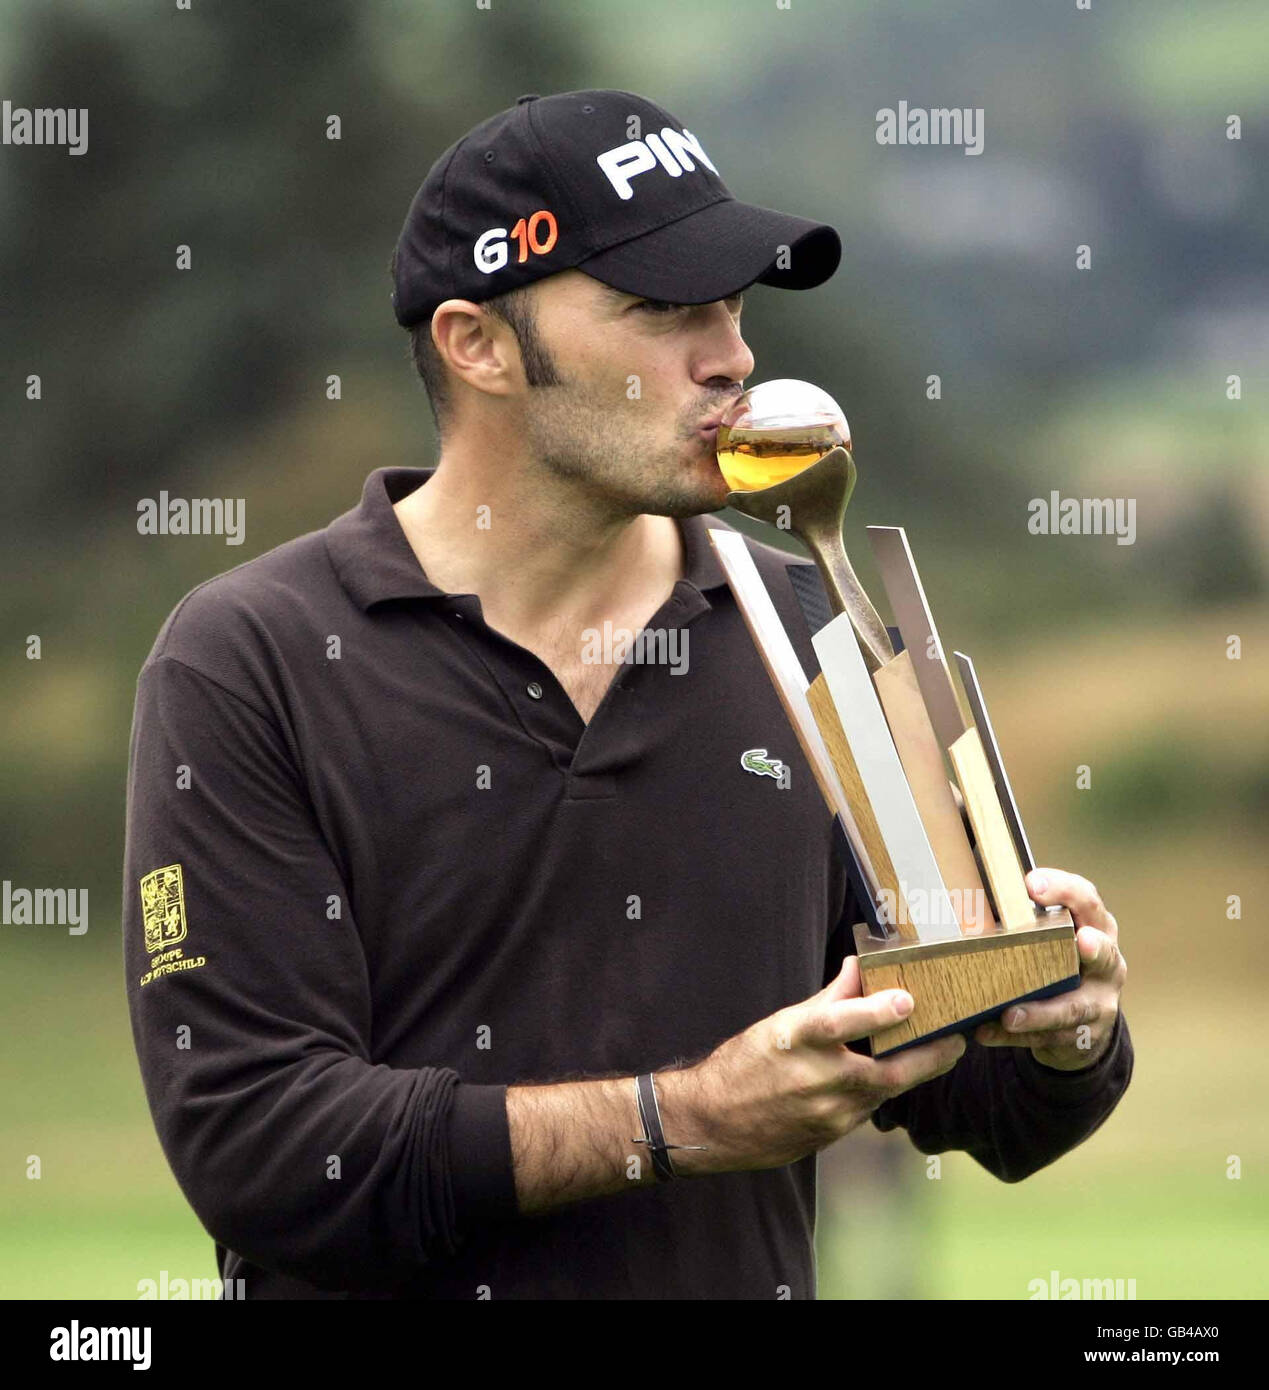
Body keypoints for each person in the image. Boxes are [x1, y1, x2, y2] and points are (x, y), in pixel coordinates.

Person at [123, 89, 1132, 1300]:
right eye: (660, 308)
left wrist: (1065, 1027)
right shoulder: (250, 661)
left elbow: (983, 1092)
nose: (734, 355)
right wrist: (685, 1117)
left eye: (731, 301)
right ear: (477, 343)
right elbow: (265, 1145)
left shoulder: (814, 623)